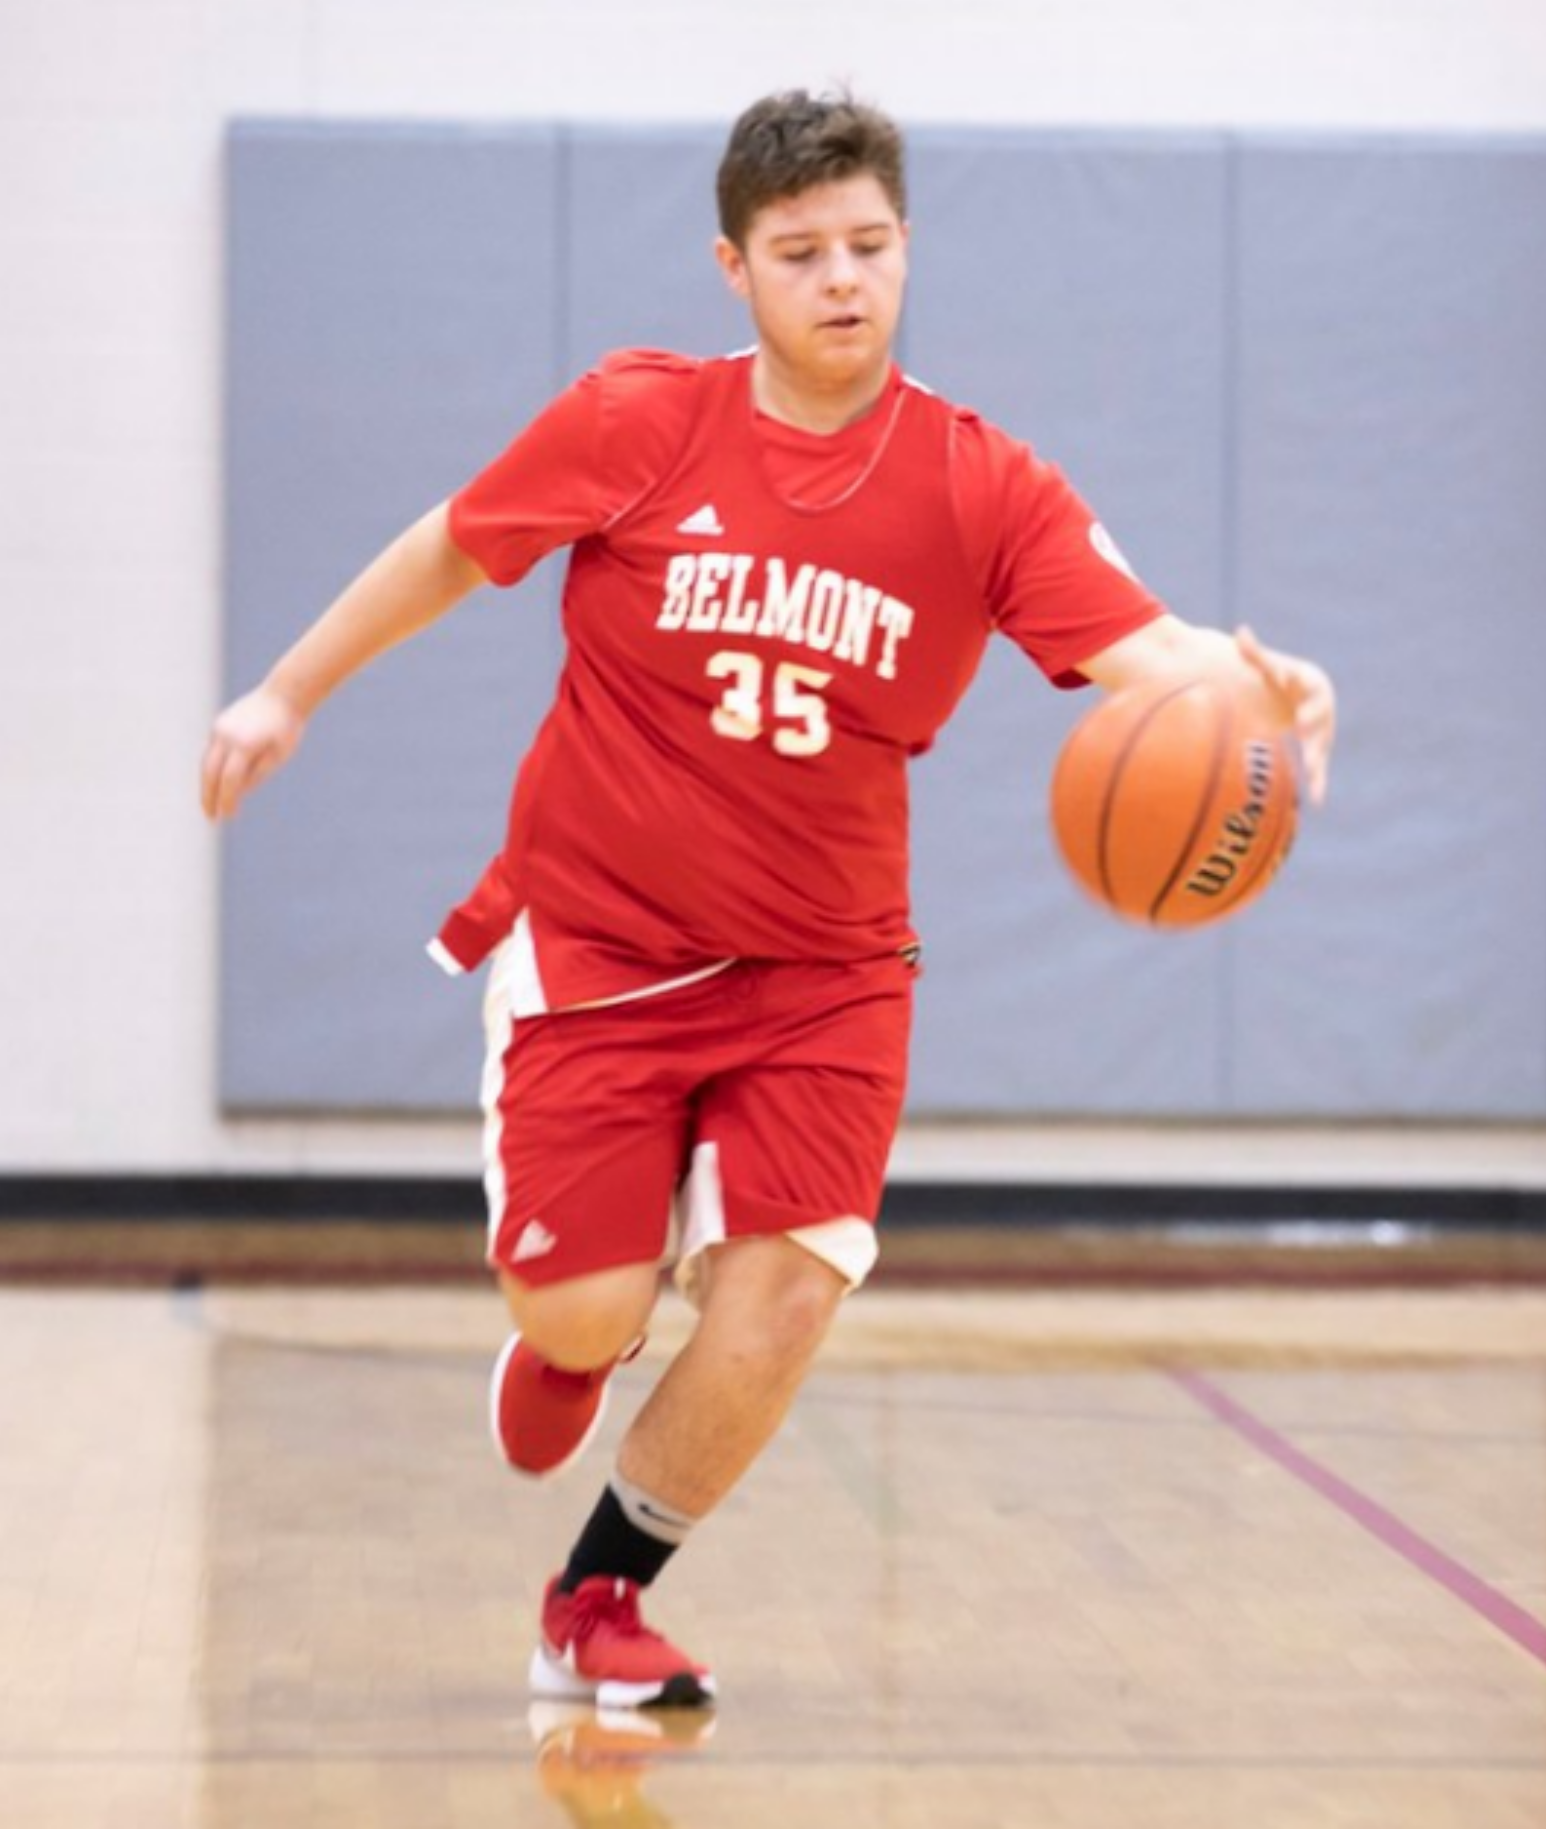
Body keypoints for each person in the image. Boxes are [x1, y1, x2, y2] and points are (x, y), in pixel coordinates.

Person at [200, 89, 1336, 1712]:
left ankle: (599, 1598)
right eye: (801, 253)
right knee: (580, 1302)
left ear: (906, 248)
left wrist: (1266, 696)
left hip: (826, 968)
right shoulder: (639, 420)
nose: (843, 281)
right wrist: (285, 694)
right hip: (603, 938)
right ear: (734, 268)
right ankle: (576, 1337)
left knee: (788, 1287)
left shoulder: (978, 483)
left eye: (869, 247)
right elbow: (452, 547)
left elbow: (1149, 662)